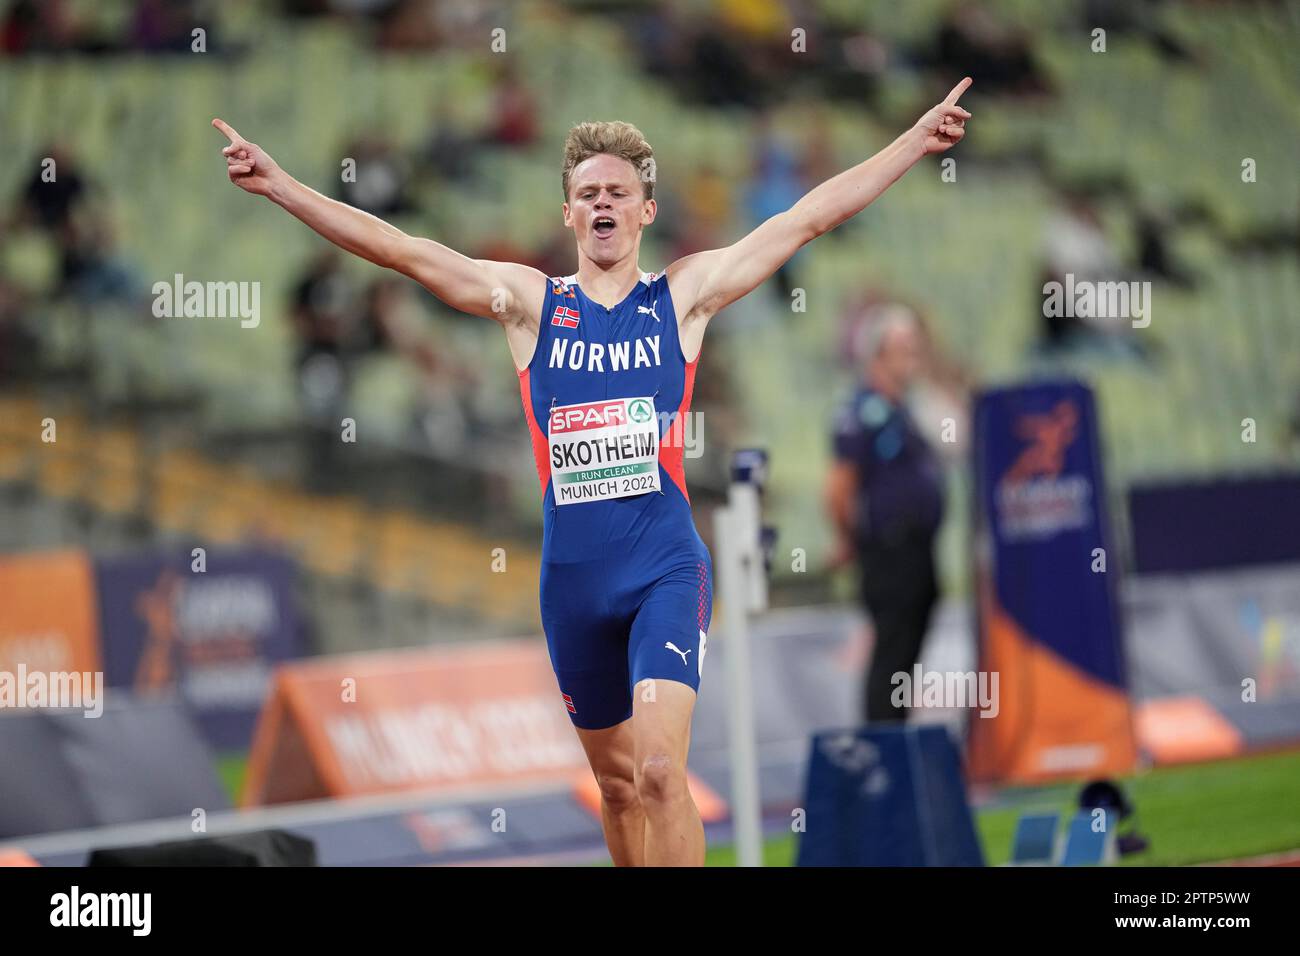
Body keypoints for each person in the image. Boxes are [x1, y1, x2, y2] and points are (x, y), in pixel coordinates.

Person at [211, 76, 972, 866]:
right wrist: (282, 187)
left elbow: (808, 218)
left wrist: (914, 142)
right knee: (615, 787)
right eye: (588, 193)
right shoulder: (529, 304)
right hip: (574, 583)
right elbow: (402, 251)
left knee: (658, 771)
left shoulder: (683, 297)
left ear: (647, 211)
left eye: (618, 192)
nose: (603, 203)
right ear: (568, 214)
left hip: (664, 566)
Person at [826, 309, 946, 724]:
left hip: (918, 550)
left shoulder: (904, 409)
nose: (913, 357)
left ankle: (896, 732)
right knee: (891, 651)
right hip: (889, 550)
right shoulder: (861, 412)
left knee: (907, 651)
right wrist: (849, 539)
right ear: (879, 353)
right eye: (903, 348)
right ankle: (882, 742)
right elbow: (839, 487)